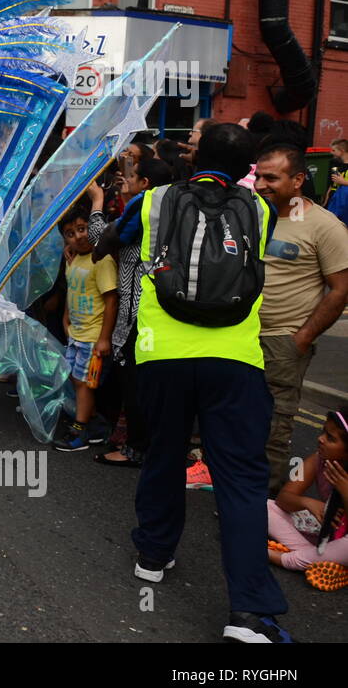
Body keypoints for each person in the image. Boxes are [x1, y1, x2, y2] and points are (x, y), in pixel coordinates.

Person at [120, 122, 291, 643]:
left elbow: (113, 241)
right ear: (249, 171)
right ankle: (248, 613)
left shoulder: (155, 201)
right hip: (234, 356)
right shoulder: (260, 210)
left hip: (162, 354)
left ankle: (153, 553)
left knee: (165, 453)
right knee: (240, 480)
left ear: (194, 158)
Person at [253, 143, 348, 496]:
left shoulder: (325, 226)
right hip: (239, 337)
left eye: (271, 177)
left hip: (283, 341)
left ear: (297, 180)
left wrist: (303, 338)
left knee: (273, 428)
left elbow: (340, 290)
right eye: (258, 175)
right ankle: (241, 494)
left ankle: (262, 507)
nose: (261, 184)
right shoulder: (253, 215)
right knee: (237, 421)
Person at [89, 157, 174, 467]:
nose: (125, 179)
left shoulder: (144, 210)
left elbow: (100, 237)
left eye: (132, 175)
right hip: (158, 311)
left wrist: (97, 201)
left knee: (134, 382)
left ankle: (134, 448)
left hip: (137, 312)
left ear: (146, 184)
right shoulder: (170, 209)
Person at [51, 205, 118, 452]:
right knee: (77, 380)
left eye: (82, 229)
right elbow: (72, 288)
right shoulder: (73, 258)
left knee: (84, 383)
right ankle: (95, 425)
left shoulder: (102, 260)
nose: (78, 236)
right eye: (70, 233)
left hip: (93, 336)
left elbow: (111, 300)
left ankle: (80, 431)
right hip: (76, 333)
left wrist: (104, 338)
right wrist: (65, 320)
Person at [267, 411, 348, 582]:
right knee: (263, 506)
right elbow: (283, 498)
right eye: (323, 432)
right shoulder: (317, 459)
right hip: (326, 534)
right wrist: (308, 502)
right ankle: (317, 559)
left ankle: (281, 557)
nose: (321, 439)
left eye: (331, 438)